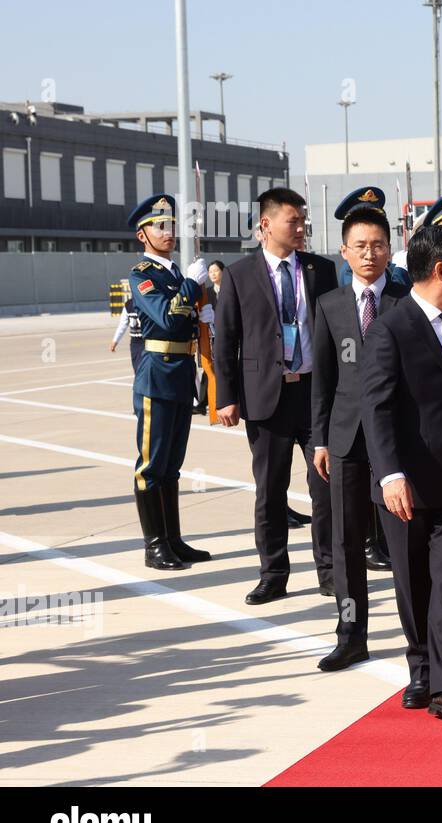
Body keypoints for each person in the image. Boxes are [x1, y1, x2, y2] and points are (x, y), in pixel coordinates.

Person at [364, 224, 442, 719]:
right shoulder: (390, 328)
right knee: (414, 584)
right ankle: (421, 668)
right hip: (407, 486)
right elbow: (375, 408)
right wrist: (390, 474)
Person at [214, 187, 339, 605]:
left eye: (303, 220)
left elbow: (335, 335)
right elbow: (225, 338)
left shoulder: (321, 269)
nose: (302, 227)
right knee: (269, 490)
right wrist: (226, 396)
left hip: (314, 395)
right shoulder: (238, 275)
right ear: (266, 225)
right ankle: (273, 573)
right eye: (294, 221)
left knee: (325, 487)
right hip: (266, 398)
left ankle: (329, 570)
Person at [310, 189, 410, 672]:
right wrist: (320, 439)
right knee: (347, 541)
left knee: (403, 543)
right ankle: (351, 634)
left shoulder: (406, 300)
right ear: (344, 251)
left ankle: (419, 639)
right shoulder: (329, 304)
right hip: (346, 439)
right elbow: (323, 380)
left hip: (397, 441)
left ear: (389, 249)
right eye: (360, 245)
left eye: (377, 244)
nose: (369, 253)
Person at [125, 194, 212, 571]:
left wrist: (208, 307)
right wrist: (192, 289)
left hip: (180, 376)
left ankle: (173, 541)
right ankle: (154, 545)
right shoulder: (142, 274)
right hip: (156, 377)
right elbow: (166, 317)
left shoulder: (176, 273)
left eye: (172, 225)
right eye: (160, 226)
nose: (169, 232)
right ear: (142, 234)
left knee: (172, 466)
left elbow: (188, 321)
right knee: (151, 465)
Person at [110, 278, 145, 373]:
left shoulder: (148, 304)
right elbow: (123, 324)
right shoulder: (128, 305)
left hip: (148, 342)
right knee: (137, 369)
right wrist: (115, 341)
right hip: (135, 343)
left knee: (145, 370)